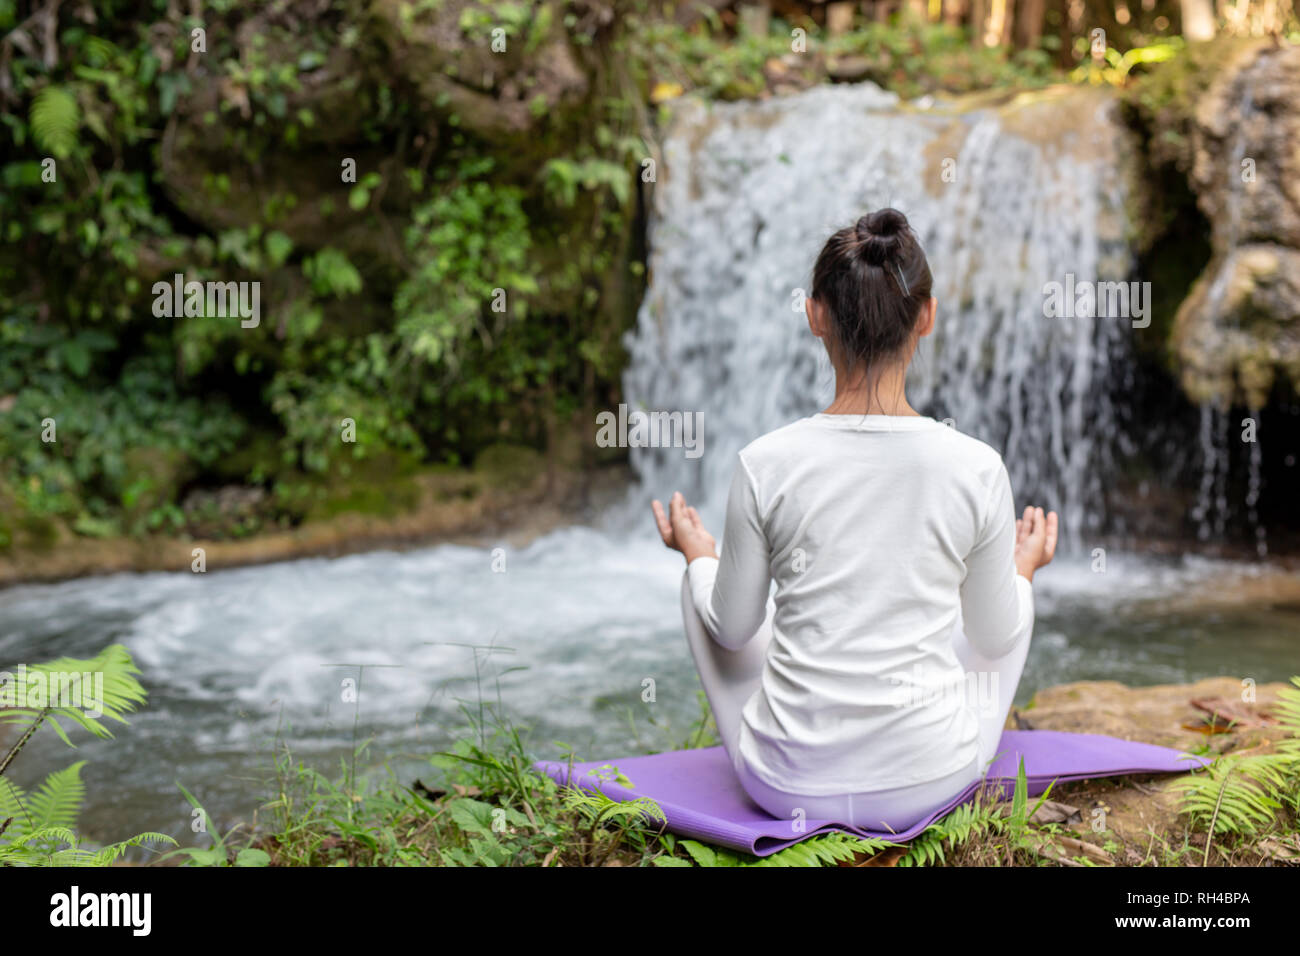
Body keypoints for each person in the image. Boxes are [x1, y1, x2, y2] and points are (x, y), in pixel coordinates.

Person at [651, 208, 1059, 832]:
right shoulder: (977, 467)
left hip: (785, 785)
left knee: (702, 585)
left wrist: (698, 555)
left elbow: (733, 632)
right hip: (930, 782)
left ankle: (699, 565)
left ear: (814, 315)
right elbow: (995, 638)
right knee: (1000, 608)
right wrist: (1023, 570)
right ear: (927, 315)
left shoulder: (764, 462)